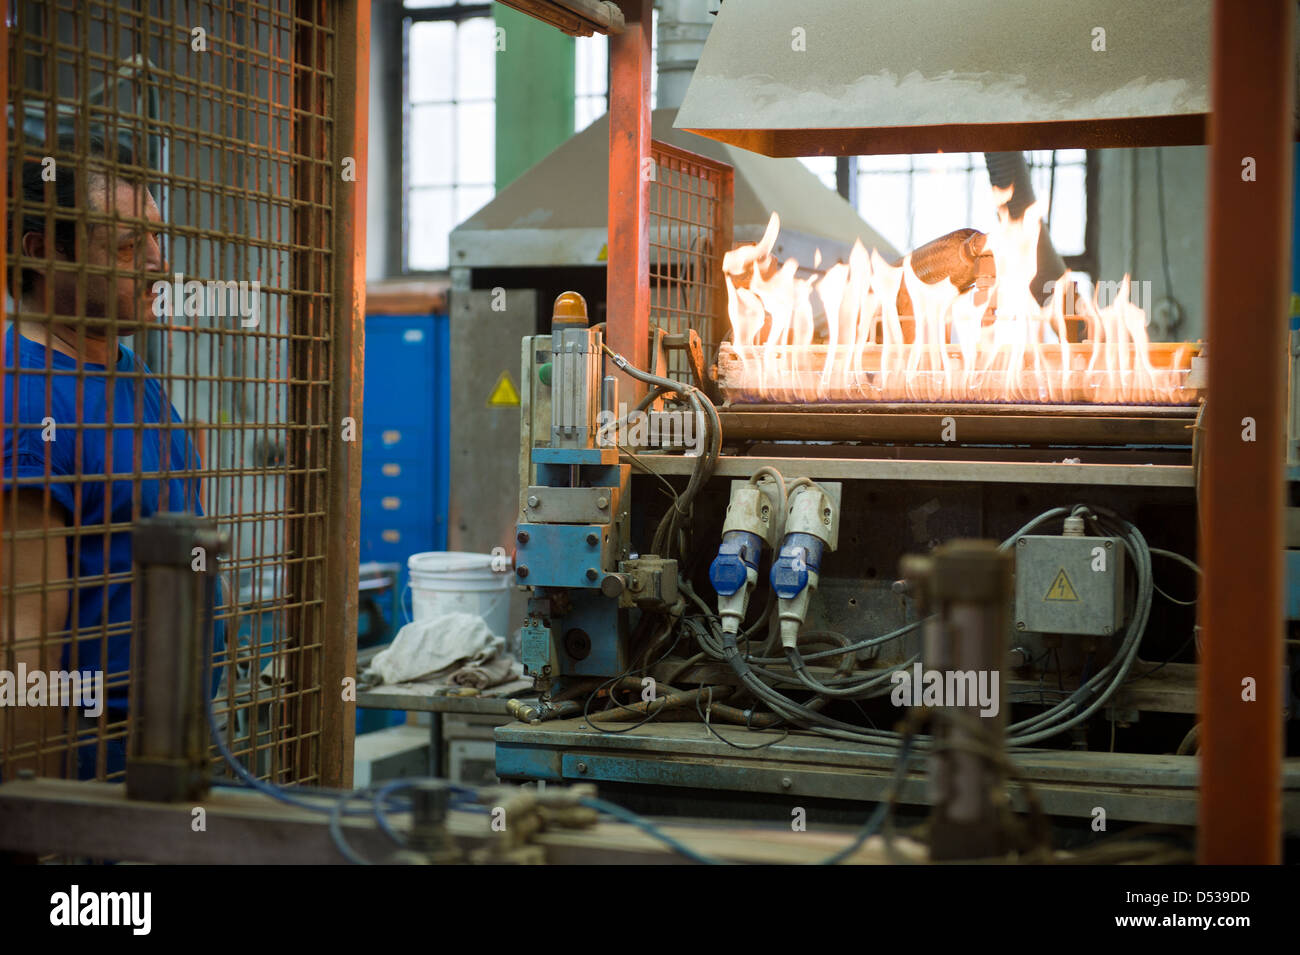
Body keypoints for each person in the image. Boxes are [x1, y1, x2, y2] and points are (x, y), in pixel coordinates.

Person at [2, 137, 214, 780]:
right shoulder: (29, 403)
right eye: (126, 247)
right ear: (42, 253)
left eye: (155, 239)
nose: (158, 267)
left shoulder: (127, 370)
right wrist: (42, 820)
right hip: (93, 765)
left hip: (171, 741)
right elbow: (23, 637)